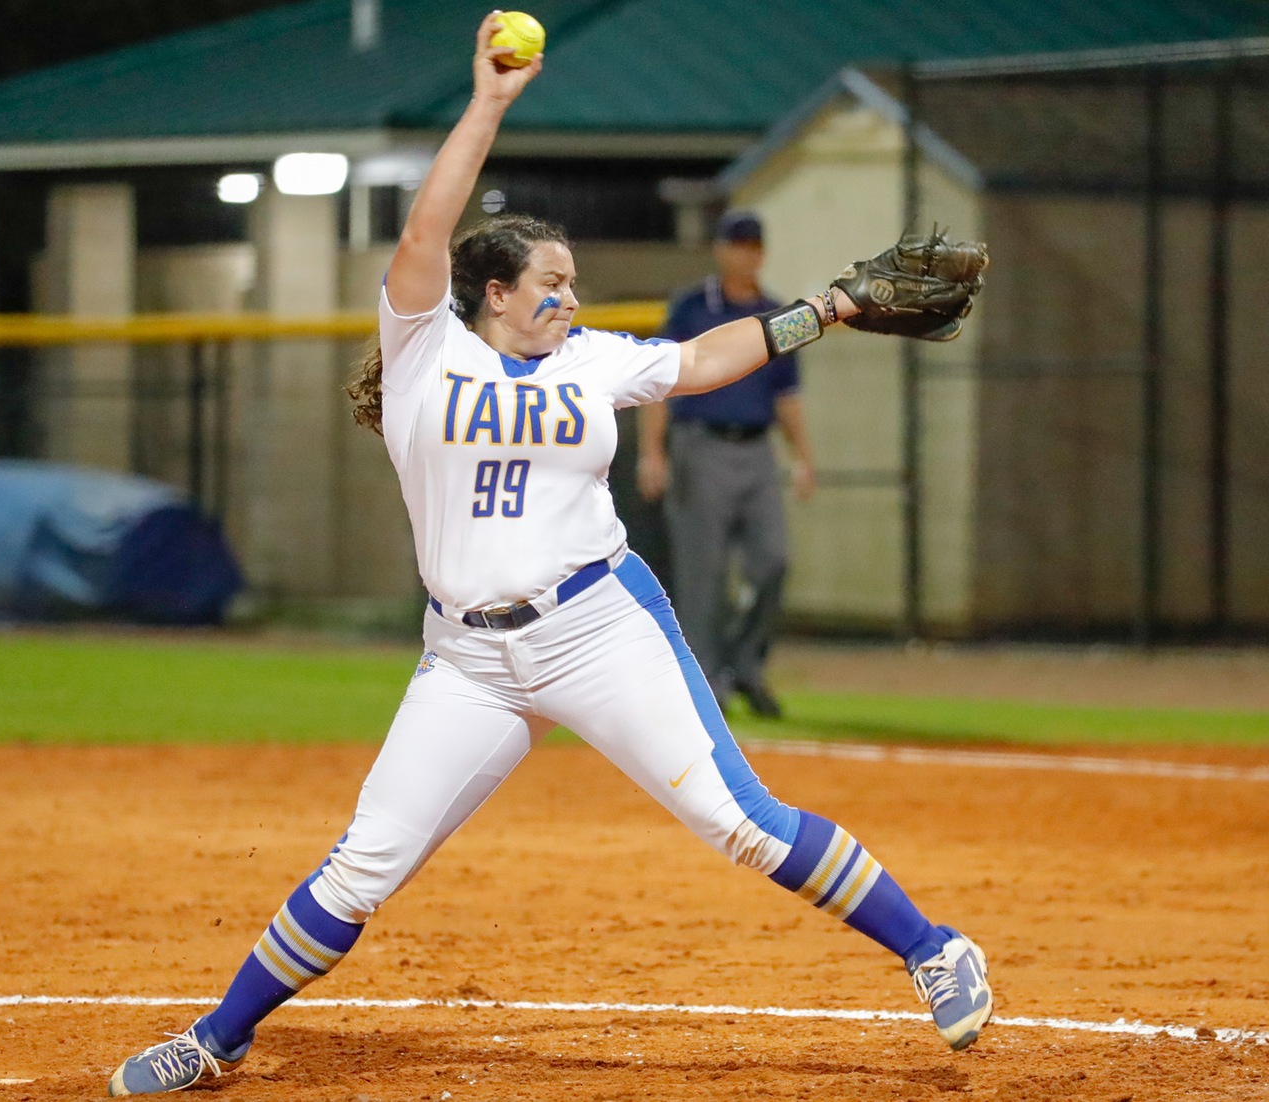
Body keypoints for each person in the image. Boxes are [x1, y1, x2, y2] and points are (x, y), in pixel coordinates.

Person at [102, 14, 992, 1094]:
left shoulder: (592, 361)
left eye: (570, 282)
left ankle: (934, 947)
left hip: (599, 627)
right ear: (492, 293)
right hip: (466, 659)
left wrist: (829, 307)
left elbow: (702, 361)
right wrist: (487, 103)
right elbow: (424, 236)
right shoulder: (424, 352)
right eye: (550, 282)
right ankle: (218, 1039)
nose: (568, 296)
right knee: (366, 860)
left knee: (737, 821)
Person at [638, 210, 816, 718]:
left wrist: (803, 457)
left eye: (753, 245)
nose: (746, 253)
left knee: (773, 561)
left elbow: (788, 394)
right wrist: (654, 451)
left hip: (757, 449)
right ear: (720, 250)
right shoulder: (693, 306)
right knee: (704, 574)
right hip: (701, 446)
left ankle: (745, 665)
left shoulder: (778, 312)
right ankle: (705, 681)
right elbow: (658, 385)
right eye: (737, 244)